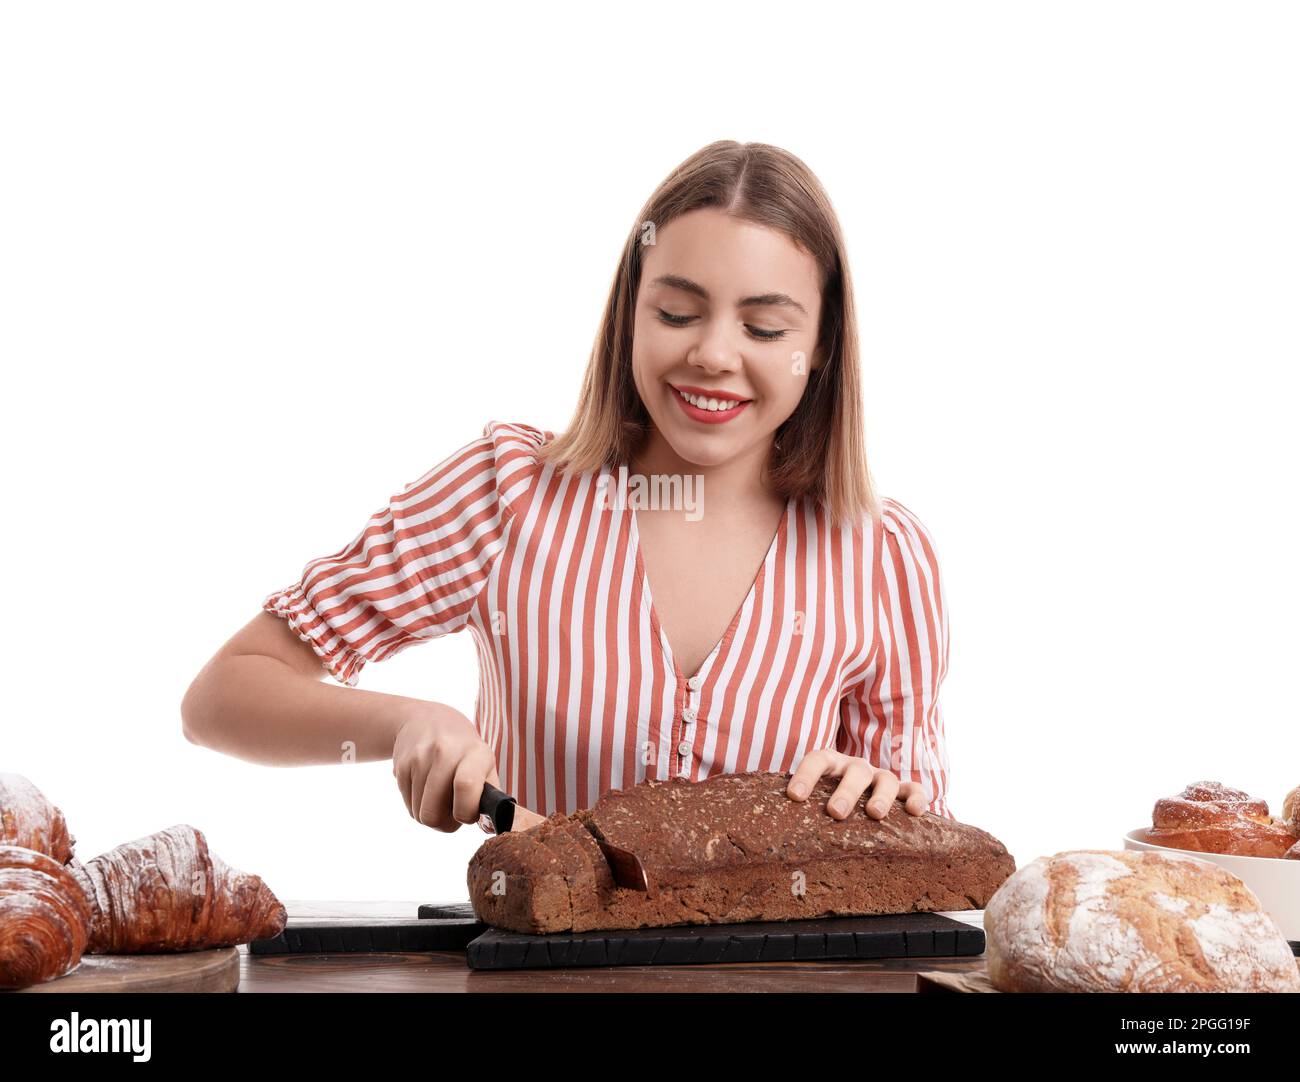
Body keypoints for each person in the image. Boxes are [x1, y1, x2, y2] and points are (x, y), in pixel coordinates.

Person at [181, 140, 951, 837]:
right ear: (630, 316)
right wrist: (406, 721)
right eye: (677, 313)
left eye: (764, 329)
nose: (714, 353)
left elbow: (931, 852)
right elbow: (222, 697)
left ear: (820, 347)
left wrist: (886, 805)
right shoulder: (508, 494)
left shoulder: (884, 557)